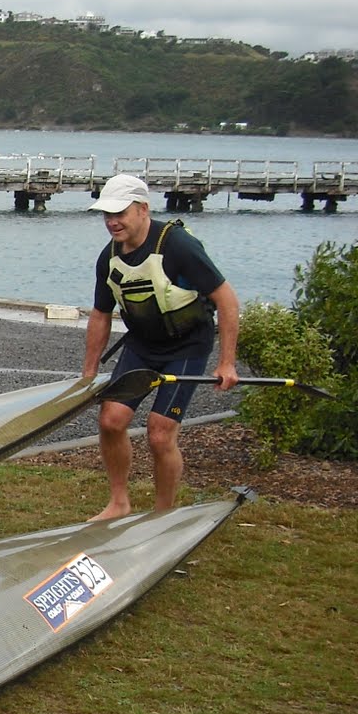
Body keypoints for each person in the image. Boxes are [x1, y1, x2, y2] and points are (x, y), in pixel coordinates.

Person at [80, 173, 239, 519]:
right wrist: (89, 372)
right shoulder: (108, 257)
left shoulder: (178, 246)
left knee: (160, 434)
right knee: (111, 421)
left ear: (142, 209)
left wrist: (227, 362)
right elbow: (101, 314)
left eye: (119, 213)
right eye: (107, 214)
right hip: (141, 345)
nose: (112, 221)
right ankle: (119, 503)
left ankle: (161, 516)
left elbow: (227, 301)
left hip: (186, 347)